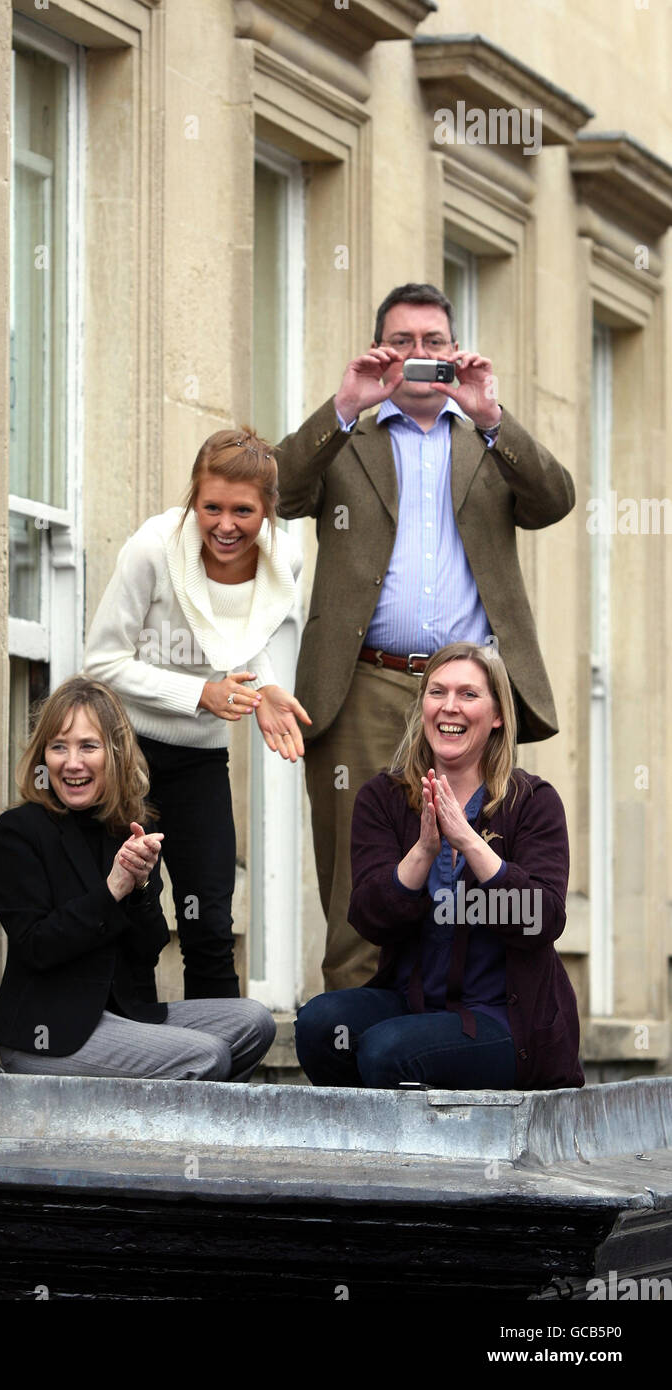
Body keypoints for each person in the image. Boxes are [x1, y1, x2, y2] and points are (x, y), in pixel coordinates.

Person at [275, 282, 575, 993]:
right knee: (362, 878)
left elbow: (554, 500)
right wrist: (346, 405)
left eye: (434, 343)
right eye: (403, 341)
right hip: (365, 683)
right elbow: (281, 491)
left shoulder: (484, 439)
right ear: (382, 351)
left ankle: (461, 1026)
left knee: (480, 861)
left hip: (467, 693)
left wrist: (492, 414)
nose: (420, 355)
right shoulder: (351, 436)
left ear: (454, 352)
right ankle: (353, 1041)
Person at [294, 643, 583, 1092]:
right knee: (320, 1024)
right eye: (437, 692)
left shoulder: (532, 802)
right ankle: (371, 1146)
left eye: (469, 694)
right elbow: (368, 916)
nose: (450, 706)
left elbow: (541, 919)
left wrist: (468, 841)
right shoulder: (384, 798)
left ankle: (417, 1148)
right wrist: (424, 851)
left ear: (498, 715)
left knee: (387, 1051)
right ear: (423, 705)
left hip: (504, 1020)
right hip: (415, 1007)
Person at [83, 430, 310, 999]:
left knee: (209, 922)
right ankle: (131, 1053)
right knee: (135, 917)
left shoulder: (284, 562)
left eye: (243, 510)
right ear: (193, 498)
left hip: (202, 763)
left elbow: (239, 635)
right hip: (127, 755)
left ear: (268, 511)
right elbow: (101, 661)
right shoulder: (152, 549)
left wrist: (267, 688)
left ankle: (224, 1073)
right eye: (211, 507)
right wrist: (199, 695)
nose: (225, 525)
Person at [0, 676, 276, 1081]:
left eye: (88, 746)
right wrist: (113, 889)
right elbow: (37, 946)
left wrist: (140, 887)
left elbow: (147, 950)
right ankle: (185, 1142)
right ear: (43, 757)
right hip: (51, 1034)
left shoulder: (130, 829)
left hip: (127, 1020)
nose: (72, 763)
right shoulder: (18, 831)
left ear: (116, 754)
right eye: (58, 747)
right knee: (205, 1056)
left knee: (254, 1021)